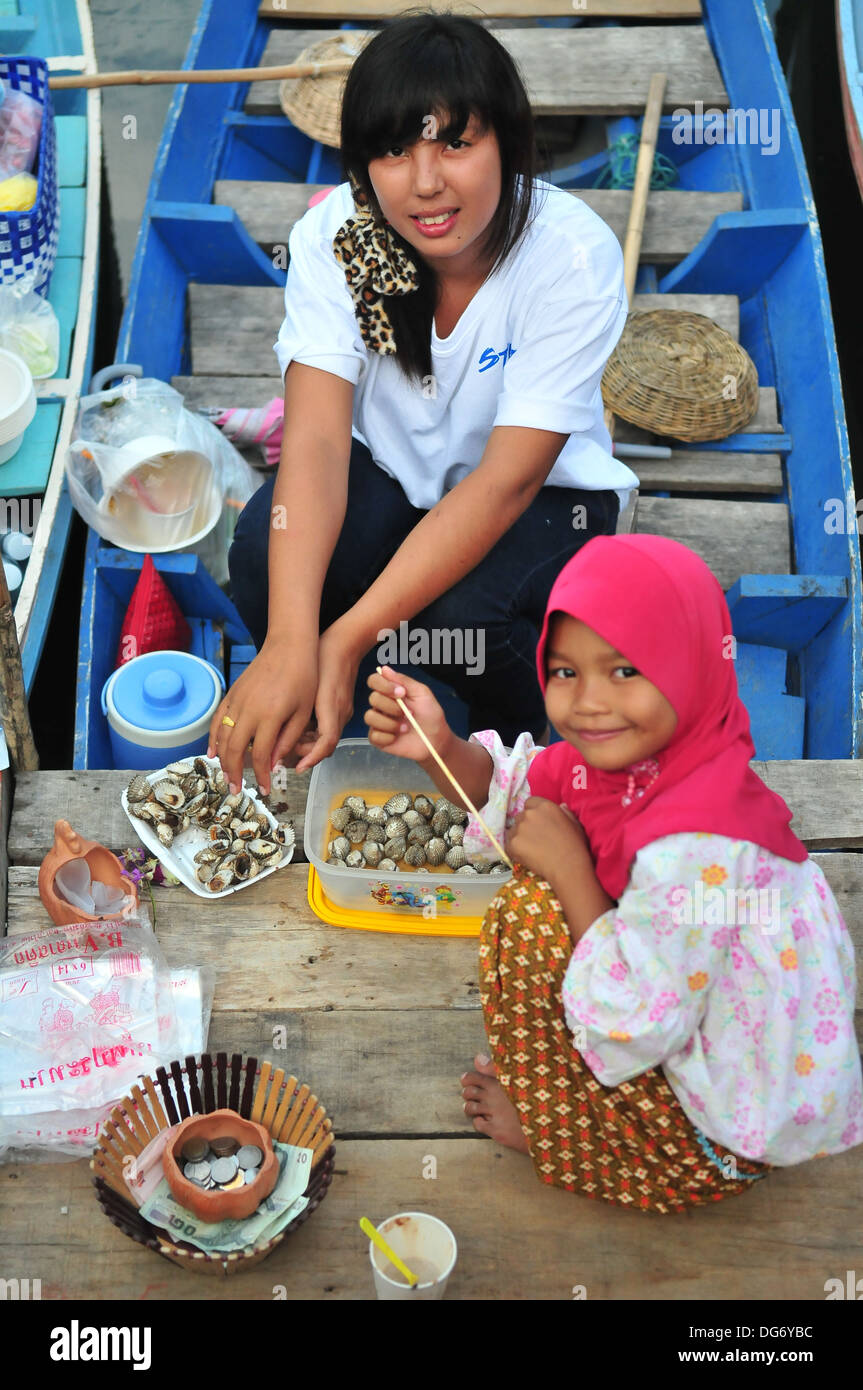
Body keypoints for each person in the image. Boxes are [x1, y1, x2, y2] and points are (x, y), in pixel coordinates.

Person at [364, 534, 863, 1214]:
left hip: (729, 1125)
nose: (588, 701)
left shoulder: (695, 846)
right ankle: (573, 1108)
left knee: (531, 914)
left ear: (691, 665)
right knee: (542, 869)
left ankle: (567, 1134)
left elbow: (640, 1023)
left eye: (625, 669)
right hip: (702, 1011)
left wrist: (572, 870)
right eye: (564, 670)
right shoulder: (651, 753)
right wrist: (437, 746)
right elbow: (515, 787)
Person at [209, 12, 638, 795]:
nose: (426, 181)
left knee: (462, 626)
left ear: (507, 144)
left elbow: (503, 483)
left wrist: (338, 642)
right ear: (363, 164)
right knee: (257, 562)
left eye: (455, 143)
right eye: (394, 149)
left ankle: (505, 755)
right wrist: (292, 640)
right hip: (391, 469)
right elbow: (316, 445)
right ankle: (373, 700)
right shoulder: (340, 236)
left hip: (543, 495)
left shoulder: (568, 259)